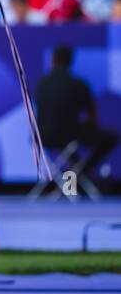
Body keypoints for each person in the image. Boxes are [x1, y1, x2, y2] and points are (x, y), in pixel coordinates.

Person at [35, 45, 118, 189]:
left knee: (70, 146)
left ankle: (73, 179)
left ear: (52, 61)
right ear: (70, 62)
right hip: (70, 135)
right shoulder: (79, 85)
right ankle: (79, 174)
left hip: (43, 136)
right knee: (107, 137)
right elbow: (92, 118)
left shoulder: (41, 84)